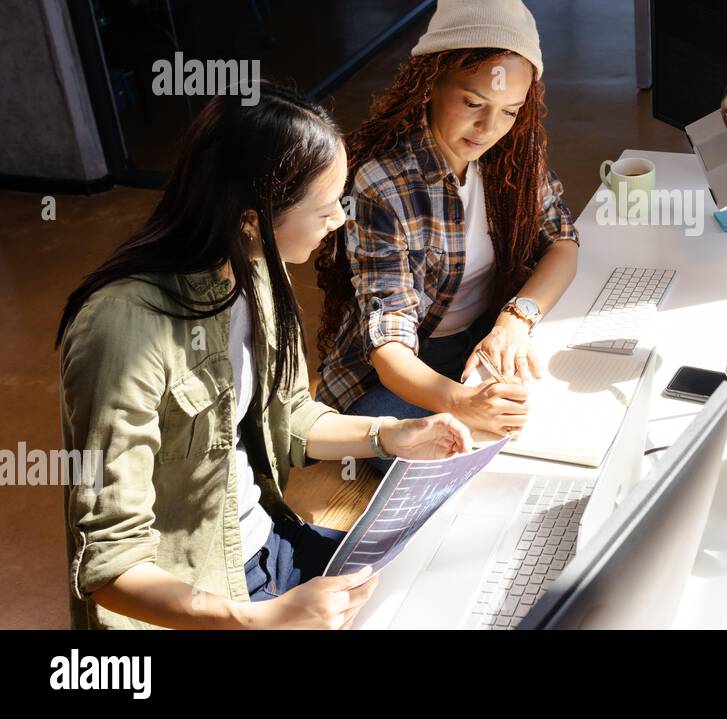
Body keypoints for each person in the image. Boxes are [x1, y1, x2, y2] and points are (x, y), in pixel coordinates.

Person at [56, 86, 471, 629]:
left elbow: (288, 414)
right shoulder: (122, 329)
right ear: (252, 218)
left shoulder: (254, 272)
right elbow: (112, 566)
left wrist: (388, 435)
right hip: (208, 599)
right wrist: (263, 620)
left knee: (439, 578)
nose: (340, 222)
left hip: (267, 546)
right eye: (325, 209)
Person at [315, 0, 579, 467]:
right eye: (473, 103)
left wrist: (514, 321)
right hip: (401, 369)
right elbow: (389, 344)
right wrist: (460, 402)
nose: (488, 129)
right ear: (430, 82)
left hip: (481, 338)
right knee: (415, 451)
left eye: (509, 111)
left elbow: (562, 242)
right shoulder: (381, 183)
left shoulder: (514, 153)